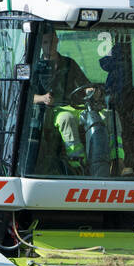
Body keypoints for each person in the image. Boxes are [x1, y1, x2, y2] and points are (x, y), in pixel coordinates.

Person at [30, 30, 95, 172]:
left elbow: (85, 84)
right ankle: (78, 165)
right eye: (46, 42)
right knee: (67, 119)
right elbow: (28, 97)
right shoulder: (36, 67)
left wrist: (90, 90)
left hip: (75, 106)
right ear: (40, 45)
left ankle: (114, 161)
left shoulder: (69, 63)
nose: (50, 45)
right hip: (50, 112)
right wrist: (43, 98)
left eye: (52, 41)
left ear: (57, 41)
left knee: (102, 116)